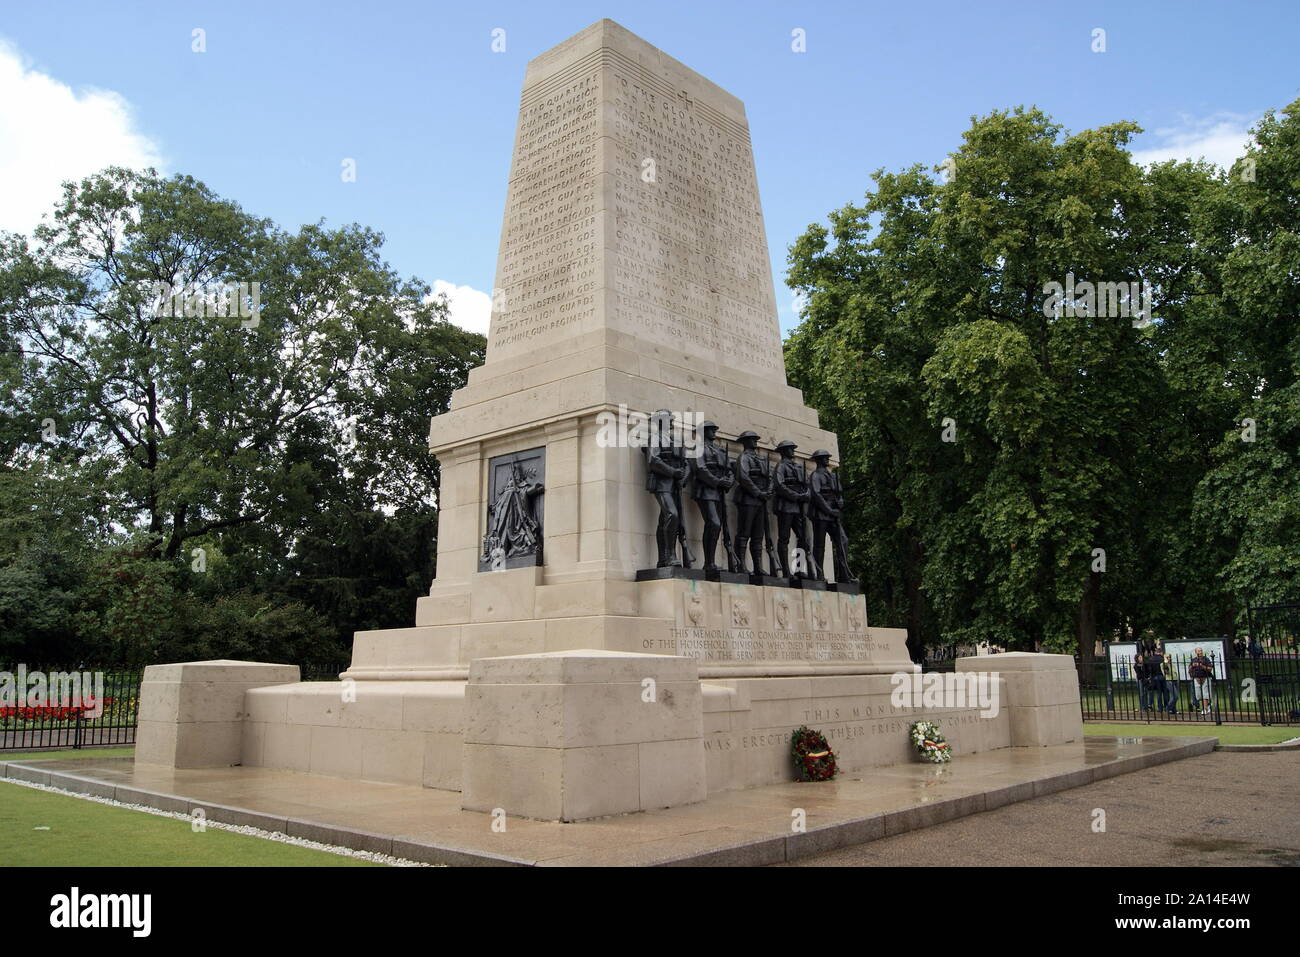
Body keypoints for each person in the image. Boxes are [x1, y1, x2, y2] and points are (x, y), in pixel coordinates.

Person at [1189, 647, 1215, 715]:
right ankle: (1208, 704)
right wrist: (1192, 667)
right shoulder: (1193, 660)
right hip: (1196, 679)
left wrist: (1202, 666)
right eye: (1198, 651)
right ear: (1196, 652)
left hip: (1205, 678)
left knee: (1205, 694)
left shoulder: (1206, 659)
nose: (1200, 652)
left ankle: (1205, 709)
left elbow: (1210, 668)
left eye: (1201, 650)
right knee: (1199, 695)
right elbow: (1189, 669)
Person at [1157, 641, 1178, 715]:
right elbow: (1166, 672)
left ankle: (1174, 710)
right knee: (1175, 696)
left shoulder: (1173, 664)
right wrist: (1166, 663)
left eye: (1170, 657)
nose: (1169, 658)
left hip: (1175, 680)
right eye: (1167, 657)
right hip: (1169, 680)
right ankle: (1168, 708)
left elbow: (1175, 673)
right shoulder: (1162, 664)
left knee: (1174, 696)